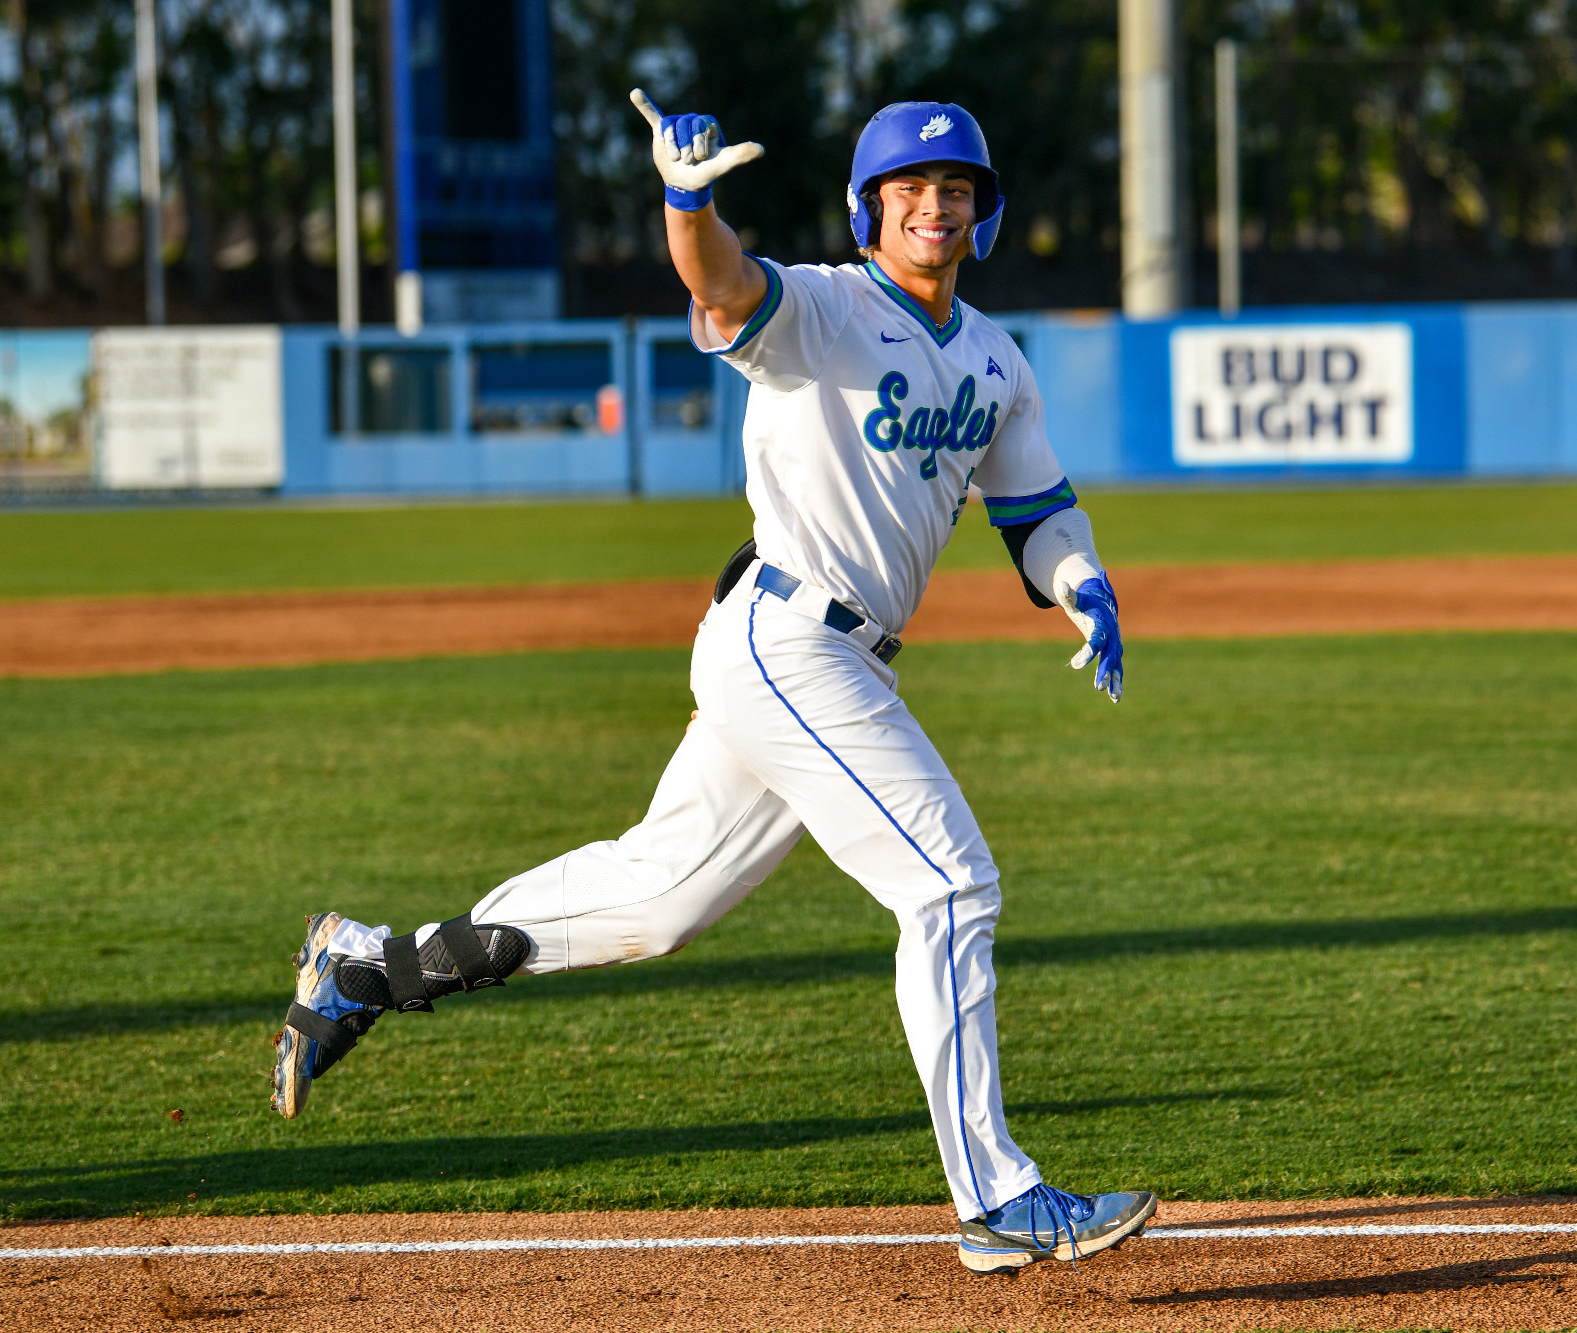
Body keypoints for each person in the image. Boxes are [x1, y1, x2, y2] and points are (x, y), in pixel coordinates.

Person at [267, 94, 1156, 1275]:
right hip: (785, 638)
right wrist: (687, 202)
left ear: (982, 213)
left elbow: (1035, 505)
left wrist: (1081, 581)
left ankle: (369, 965)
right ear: (868, 207)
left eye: (955, 190)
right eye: (908, 188)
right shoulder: (827, 308)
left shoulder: (993, 359)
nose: (932, 206)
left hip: (822, 658)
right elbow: (724, 283)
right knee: (948, 885)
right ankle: (994, 1198)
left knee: (654, 903)